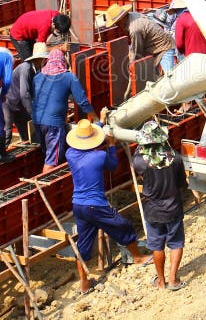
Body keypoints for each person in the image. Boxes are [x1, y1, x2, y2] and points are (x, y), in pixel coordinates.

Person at [66, 119, 153, 294]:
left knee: (83, 243)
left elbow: (89, 144)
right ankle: (137, 257)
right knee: (123, 225)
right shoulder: (99, 156)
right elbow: (113, 166)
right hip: (95, 205)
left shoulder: (70, 154)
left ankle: (84, 283)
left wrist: (99, 123)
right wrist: (111, 145)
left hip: (78, 205)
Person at [132, 121, 188, 291]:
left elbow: (138, 159)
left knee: (157, 246)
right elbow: (182, 184)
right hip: (173, 208)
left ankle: (161, 281)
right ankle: (173, 280)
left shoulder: (139, 162)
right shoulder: (176, 159)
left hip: (153, 210)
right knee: (176, 243)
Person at [32, 48, 99, 173]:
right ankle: (47, 184)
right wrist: (96, 119)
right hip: (53, 124)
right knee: (51, 160)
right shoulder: (69, 77)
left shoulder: (37, 77)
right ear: (63, 61)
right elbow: (82, 102)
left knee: (48, 154)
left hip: (37, 121)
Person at [2, 42, 49, 151]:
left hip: (20, 105)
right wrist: (33, 113)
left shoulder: (36, 70)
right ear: (39, 59)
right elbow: (24, 94)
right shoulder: (26, 69)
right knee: (7, 131)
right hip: (8, 102)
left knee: (27, 134)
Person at [104, 3, 174, 75]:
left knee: (170, 76)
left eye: (117, 23)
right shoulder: (133, 15)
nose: (117, 25)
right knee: (154, 76)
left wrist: (131, 67)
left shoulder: (135, 29)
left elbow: (137, 51)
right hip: (153, 47)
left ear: (121, 19)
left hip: (165, 47)